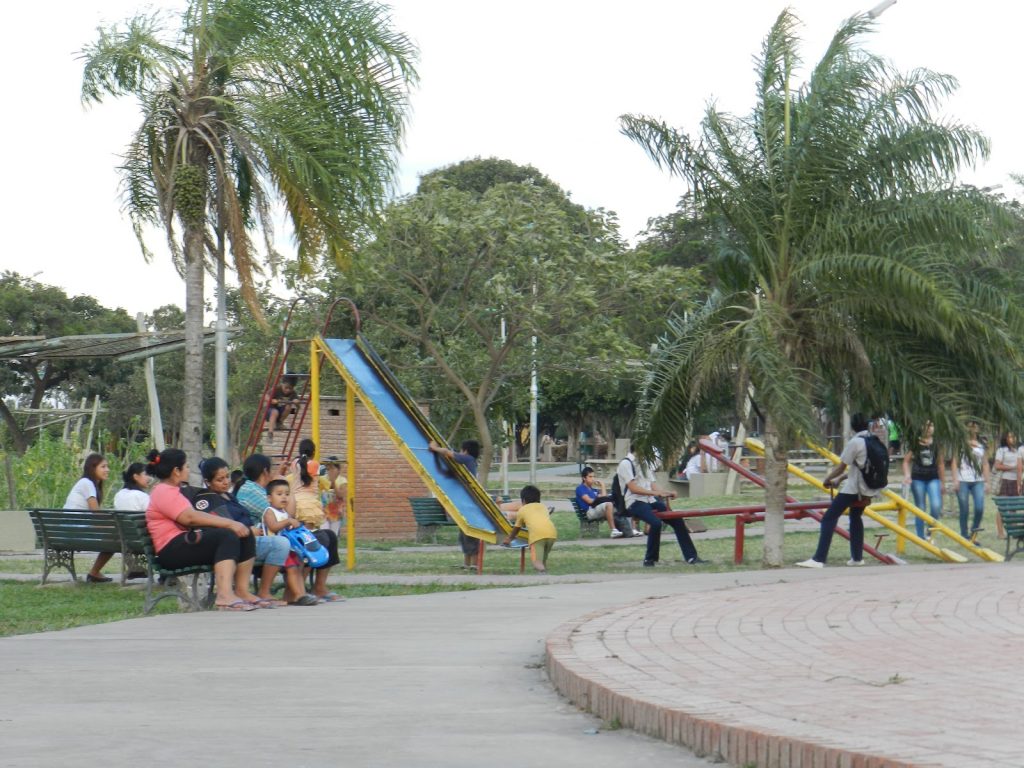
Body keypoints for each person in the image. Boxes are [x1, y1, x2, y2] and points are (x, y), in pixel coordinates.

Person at [144, 448, 257, 611]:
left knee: (244, 535)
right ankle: (224, 595)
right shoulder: (163, 491)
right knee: (227, 535)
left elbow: (193, 517)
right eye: (187, 466)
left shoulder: (174, 491)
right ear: (176, 471)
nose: (189, 470)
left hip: (182, 544)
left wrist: (233, 526)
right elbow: (189, 518)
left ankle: (242, 591)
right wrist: (230, 523)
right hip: (171, 550)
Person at [192, 457, 280, 607]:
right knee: (270, 541)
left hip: (243, 538)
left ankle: (242, 590)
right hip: (221, 543)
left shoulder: (230, 496)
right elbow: (215, 522)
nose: (226, 482)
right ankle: (232, 593)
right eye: (220, 479)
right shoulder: (206, 499)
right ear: (208, 482)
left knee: (249, 536)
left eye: (227, 477)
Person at [796, 413, 875, 568]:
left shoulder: (856, 442)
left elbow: (841, 466)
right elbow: (859, 467)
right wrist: (840, 479)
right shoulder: (874, 441)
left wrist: (828, 479)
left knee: (828, 518)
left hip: (854, 488)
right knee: (855, 517)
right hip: (869, 487)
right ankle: (857, 558)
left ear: (853, 426)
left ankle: (819, 559)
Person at [618, 443, 706, 567]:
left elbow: (653, 484)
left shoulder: (644, 464)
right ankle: (650, 560)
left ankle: (691, 557)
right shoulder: (625, 464)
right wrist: (655, 493)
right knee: (655, 523)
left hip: (649, 500)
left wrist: (667, 492)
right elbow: (633, 488)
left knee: (677, 520)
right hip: (634, 502)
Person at [234, 453, 304, 603]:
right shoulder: (252, 491)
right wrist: (286, 484)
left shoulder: (255, 489)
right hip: (253, 540)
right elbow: (287, 514)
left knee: (306, 544)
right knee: (284, 544)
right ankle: (266, 591)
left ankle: (295, 593)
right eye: (271, 470)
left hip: (263, 537)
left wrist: (280, 482)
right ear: (265, 471)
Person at [287, 445, 344, 603]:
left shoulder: (293, 475)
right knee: (314, 542)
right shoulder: (313, 476)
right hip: (296, 531)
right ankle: (299, 590)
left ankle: (319, 587)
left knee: (330, 536)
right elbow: (330, 487)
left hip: (305, 527)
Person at [262, 479, 319, 606]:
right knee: (293, 569)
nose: (284, 497)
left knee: (299, 567)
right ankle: (299, 595)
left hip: (290, 549)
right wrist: (288, 522)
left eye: (287, 494)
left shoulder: (284, 513)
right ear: (269, 498)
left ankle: (299, 593)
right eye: (279, 494)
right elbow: (273, 527)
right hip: (277, 550)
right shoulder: (269, 511)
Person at [428, 438, 483, 569]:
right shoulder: (468, 463)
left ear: (466, 451)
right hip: (465, 502)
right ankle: (467, 564)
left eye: (461, 450)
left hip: (469, 503)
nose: (459, 452)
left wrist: (434, 448)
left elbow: (448, 452)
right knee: (464, 533)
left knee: (470, 533)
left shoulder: (468, 459)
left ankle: (474, 563)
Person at [63, 453, 116, 583]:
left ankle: (95, 573)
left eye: (107, 466)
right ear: (93, 468)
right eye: (103, 467)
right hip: (76, 531)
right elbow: (96, 514)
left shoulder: (88, 484)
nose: (107, 470)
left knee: (114, 535)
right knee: (115, 538)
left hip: (68, 531)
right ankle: (94, 572)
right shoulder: (87, 483)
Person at [901, 422, 944, 541]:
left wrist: (942, 483)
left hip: (933, 478)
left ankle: (929, 531)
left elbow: (940, 463)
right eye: (926, 425)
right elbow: (905, 461)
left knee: (936, 505)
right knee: (920, 507)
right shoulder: (915, 442)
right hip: (918, 478)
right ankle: (920, 536)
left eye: (931, 425)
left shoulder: (937, 443)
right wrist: (907, 475)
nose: (929, 428)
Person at [503, 485, 557, 572]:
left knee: (536, 562)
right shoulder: (543, 507)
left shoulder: (523, 510)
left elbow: (516, 529)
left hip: (537, 536)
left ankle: (543, 572)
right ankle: (544, 576)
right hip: (552, 534)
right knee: (542, 560)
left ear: (523, 500)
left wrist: (509, 539)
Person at [954, 420, 990, 540]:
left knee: (979, 508)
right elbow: (955, 462)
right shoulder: (960, 443)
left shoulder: (982, 444)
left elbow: (985, 463)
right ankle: (964, 535)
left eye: (975, 426)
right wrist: (955, 480)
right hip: (963, 479)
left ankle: (973, 534)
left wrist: (987, 481)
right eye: (970, 426)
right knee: (964, 509)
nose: (973, 429)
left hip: (978, 480)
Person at [575, 466, 622, 538]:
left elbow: (604, 497)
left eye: (593, 476)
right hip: (589, 512)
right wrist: (599, 499)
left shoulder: (593, 490)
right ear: (584, 478)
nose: (593, 479)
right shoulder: (580, 488)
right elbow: (589, 501)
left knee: (619, 506)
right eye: (590, 477)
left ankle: (625, 530)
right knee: (609, 505)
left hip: (596, 509)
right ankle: (613, 530)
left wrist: (602, 485)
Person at [992, 431, 1021, 540]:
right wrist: (1012, 467)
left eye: (1013, 436)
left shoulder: (1018, 450)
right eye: (1010, 436)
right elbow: (997, 465)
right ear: (1005, 438)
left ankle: (1013, 531)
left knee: (1014, 508)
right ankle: (1000, 532)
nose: (1012, 438)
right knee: (1003, 508)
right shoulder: (1001, 450)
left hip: (1015, 481)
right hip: (1005, 480)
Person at [265, 374, 298, 444]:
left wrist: (296, 402)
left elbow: (298, 405)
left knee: (289, 407)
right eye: (286, 387)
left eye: (290, 388)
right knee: (275, 412)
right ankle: (270, 434)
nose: (288, 390)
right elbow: (266, 396)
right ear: (282, 384)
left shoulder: (293, 393)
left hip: (281, 412)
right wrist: (271, 400)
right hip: (270, 412)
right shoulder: (276, 389)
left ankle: (279, 422)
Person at [322, 455, 347, 535]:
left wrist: (333, 482)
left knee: (333, 535)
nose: (330, 471)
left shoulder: (342, 480)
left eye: (332, 468)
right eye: (328, 469)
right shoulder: (323, 478)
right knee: (324, 533)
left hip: (336, 514)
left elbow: (340, 495)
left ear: (338, 469)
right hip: (324, 513)